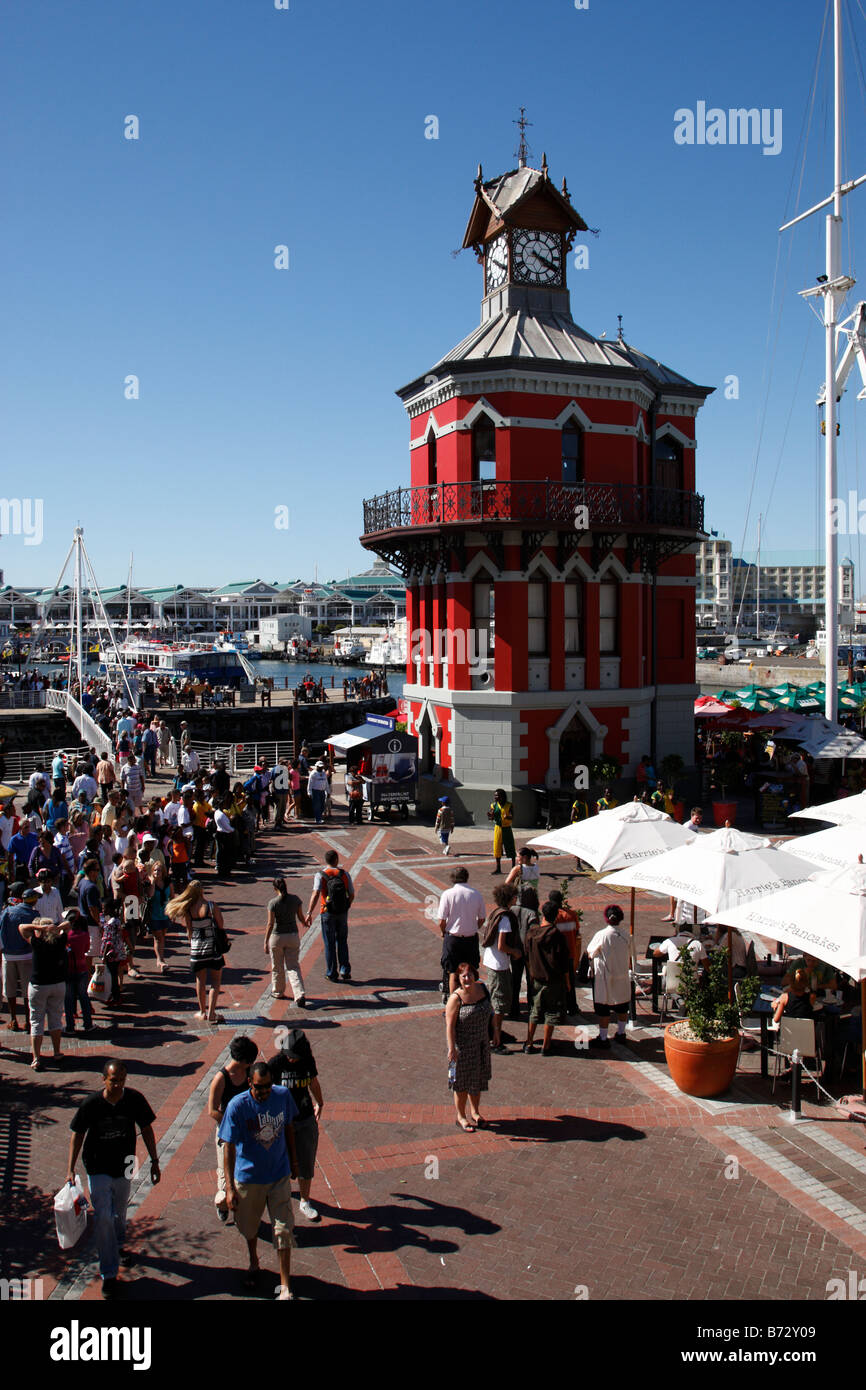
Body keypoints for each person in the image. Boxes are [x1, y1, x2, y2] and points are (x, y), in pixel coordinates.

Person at [67, 1060, 160, 1299]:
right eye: (113, 1080)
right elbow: (77, 1135)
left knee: (119, 1210)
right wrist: (70, 1169)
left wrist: (155, 1161)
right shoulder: (91, 1104)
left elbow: (147, 1129)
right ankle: (109, 1273)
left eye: (121, 1079)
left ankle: (118, 1245)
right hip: (97, 1166)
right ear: (103, 1080)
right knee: (104, 1217)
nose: (118, 1084)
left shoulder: (135, 1100)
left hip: (126, 1163)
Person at [219, 1061, 299, 1300]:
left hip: (279, 1175)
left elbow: (288, 1128)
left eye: (268, 1086)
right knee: (249, 1226)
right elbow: (228, 1146)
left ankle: (285, 1287)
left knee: (284, 1229)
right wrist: (230, 1187)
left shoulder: (283, 1096)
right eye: (259, 1088)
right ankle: (254, 1261)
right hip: (249, 1178)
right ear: (249, 1083)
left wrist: (294, 1162)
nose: (264, 1092)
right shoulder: (237, 1106)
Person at [268, 1028, 324, 1222]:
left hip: (305, 1118)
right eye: (289, 1055)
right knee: (279, 1162)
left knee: (306, 1160)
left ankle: (305, 1201)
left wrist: (320, 1102)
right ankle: (279, 1198)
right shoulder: (275, 1064)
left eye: (295, 1056)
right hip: (281, 1122)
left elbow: (313, 1083)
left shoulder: (308, 1061)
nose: (291, 1059)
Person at [208, 1035, 258, 1224]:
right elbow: (212, 1110)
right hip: (227, 1133)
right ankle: (222, 1203)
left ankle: (240, 1208)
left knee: (243, 1172)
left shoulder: (248, 1073)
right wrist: (232, 1125)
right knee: (225, 1172)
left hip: (247, 1132)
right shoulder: (221, 1078)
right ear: (244, 1060)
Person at [166, 879, 227, 1023]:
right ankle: (212, 1012)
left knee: (200, 980)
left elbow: (189, 930)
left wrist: (192, 943)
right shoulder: (211, 906)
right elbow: (221, 924)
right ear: (202, 891)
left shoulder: (188, 910)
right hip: (212, 946)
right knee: (216, 981)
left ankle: (202, 1011)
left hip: (197, 947)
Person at [445, 960, 493, 1132]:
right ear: (458, 978)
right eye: (463, 976)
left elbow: (490, 1012)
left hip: (481, 1043)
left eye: (469, 974)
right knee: (461, 1083)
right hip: (463, 1047)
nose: (467, 978)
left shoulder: (483, 989)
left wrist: (493, 1034)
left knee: (477, 1080)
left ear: (475, 975)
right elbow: (449, 1026)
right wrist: (451, 1049)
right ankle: (461, 1116)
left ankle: (476, 1112)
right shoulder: (455, 998)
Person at [19, 915, 69, 1070]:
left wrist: (39, 928)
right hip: (58, 984)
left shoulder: (37, 943)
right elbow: (68, 924)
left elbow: (21, 927)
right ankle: (57, 1051)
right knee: (55, 1019)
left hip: (39, 985)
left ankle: (36, 1057)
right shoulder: (60, 941)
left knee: (36, 1021)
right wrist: (56, 928)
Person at [523, 902, 572, 1055]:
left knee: (534, 1011)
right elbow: (564, 962)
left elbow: (527, 955)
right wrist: (568, 981)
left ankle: (529, 1042)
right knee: (551, 1013)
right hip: (554, 979)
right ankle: (546, 1045)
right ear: (556, 916)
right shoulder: (557, 936)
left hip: (536, 977)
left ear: (542, 915)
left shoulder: (532, 933)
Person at [480, 883, 521, 1053]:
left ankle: (495, 1035)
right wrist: (515, 952)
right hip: (499, 964)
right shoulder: (505, 918)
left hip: (492, 960)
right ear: (510, 898)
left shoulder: (496, 912)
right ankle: (496, 1041)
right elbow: (502, 944)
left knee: (497, 1000)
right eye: (514, 896)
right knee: (499, 1003)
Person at [306, 849, 355, 984]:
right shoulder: (344, 874)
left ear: (325, 860)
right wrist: (346, 906)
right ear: (337, 860)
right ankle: (345, 969)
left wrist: (309, 912)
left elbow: (315, 894)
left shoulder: (320, 875)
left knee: (329, 943)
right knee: (342, 941)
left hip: (327, 912)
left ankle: (332, 972)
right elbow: (351, 894)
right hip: (342, 912)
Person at [587, 904, 631, 1048]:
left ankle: (603, 1037)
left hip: (606, 975)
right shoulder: (626, 935)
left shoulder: (602, 935)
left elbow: (590, 951)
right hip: (622, 974)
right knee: (622, 1004)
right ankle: (621, 1032)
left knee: (603, 1006)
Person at [437, 866, 486, 995]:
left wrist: (443, 931)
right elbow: (482, 918)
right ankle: (472, 998)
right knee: (471, 970)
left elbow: (441, 920)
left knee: (453, 972)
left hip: (453, 938)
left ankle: (455, 1001)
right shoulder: (476, 894)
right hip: (471, 938)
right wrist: (474, 926)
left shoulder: (447, 894)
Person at [0, 883, 39, 1031]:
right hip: (26, 955)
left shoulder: (7, 911)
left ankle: (13, 1019)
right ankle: (29, 1022)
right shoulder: (34, 915)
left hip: (8, 955)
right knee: (27, 990)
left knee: (9, 989)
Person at [264, 877, 309, 1005]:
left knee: (277, 966)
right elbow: (300, 918)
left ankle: (278, 991)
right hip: (292, 935)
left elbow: (270, 924)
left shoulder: (272, 903)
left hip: (277, 937)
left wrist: (265, 941)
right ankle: (299, 993)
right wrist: (305, 922)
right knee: (293, 966)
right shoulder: (295, 900)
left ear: (275, 889)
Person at [63, 907, 95, 1035]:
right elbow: (87, 949)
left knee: (68, 998)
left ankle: (70, 1026)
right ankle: (88, 1024)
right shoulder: (84, 934)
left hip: (68, 970)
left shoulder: (65, 936)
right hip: (82, 969)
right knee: (84, 997)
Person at [142, 860, 173, 973]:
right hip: (154, 915)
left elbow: (172, 897)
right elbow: (150, 895)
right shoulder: (151, 883)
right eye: (155, 870)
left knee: (162, 937)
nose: (157, 872)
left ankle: (161, 958)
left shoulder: (168, 882)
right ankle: (160, 960)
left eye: (159, 870)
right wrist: (153, 883)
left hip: (164, 914)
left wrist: (172, 911)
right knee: (158, 937)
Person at [487, 788, 515, 876]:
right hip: (498, 828)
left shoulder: (509, 805)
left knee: (510, 846)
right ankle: (498, 868)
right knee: (497, 847)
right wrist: (490, 816)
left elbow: (512, 817)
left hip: (507, 828)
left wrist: (508, 817)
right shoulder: (493, 805)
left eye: (497, 795)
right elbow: (491, 818)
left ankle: (513, 867)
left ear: (502, 796)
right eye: (495, 795)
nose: (495, 797)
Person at [307, 760, 330, 825]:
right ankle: (318, 819)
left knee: (322, 805)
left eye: (322, 767)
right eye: (319, 767)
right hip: (315, 791)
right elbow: (310, 783)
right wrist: (309, 792)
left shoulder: (323, 773)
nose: (320, 768)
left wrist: (328, 791)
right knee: (317, 805)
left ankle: (319, 817)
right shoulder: (313, 773)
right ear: (316, 766)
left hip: (322, 791)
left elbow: (326, 783)